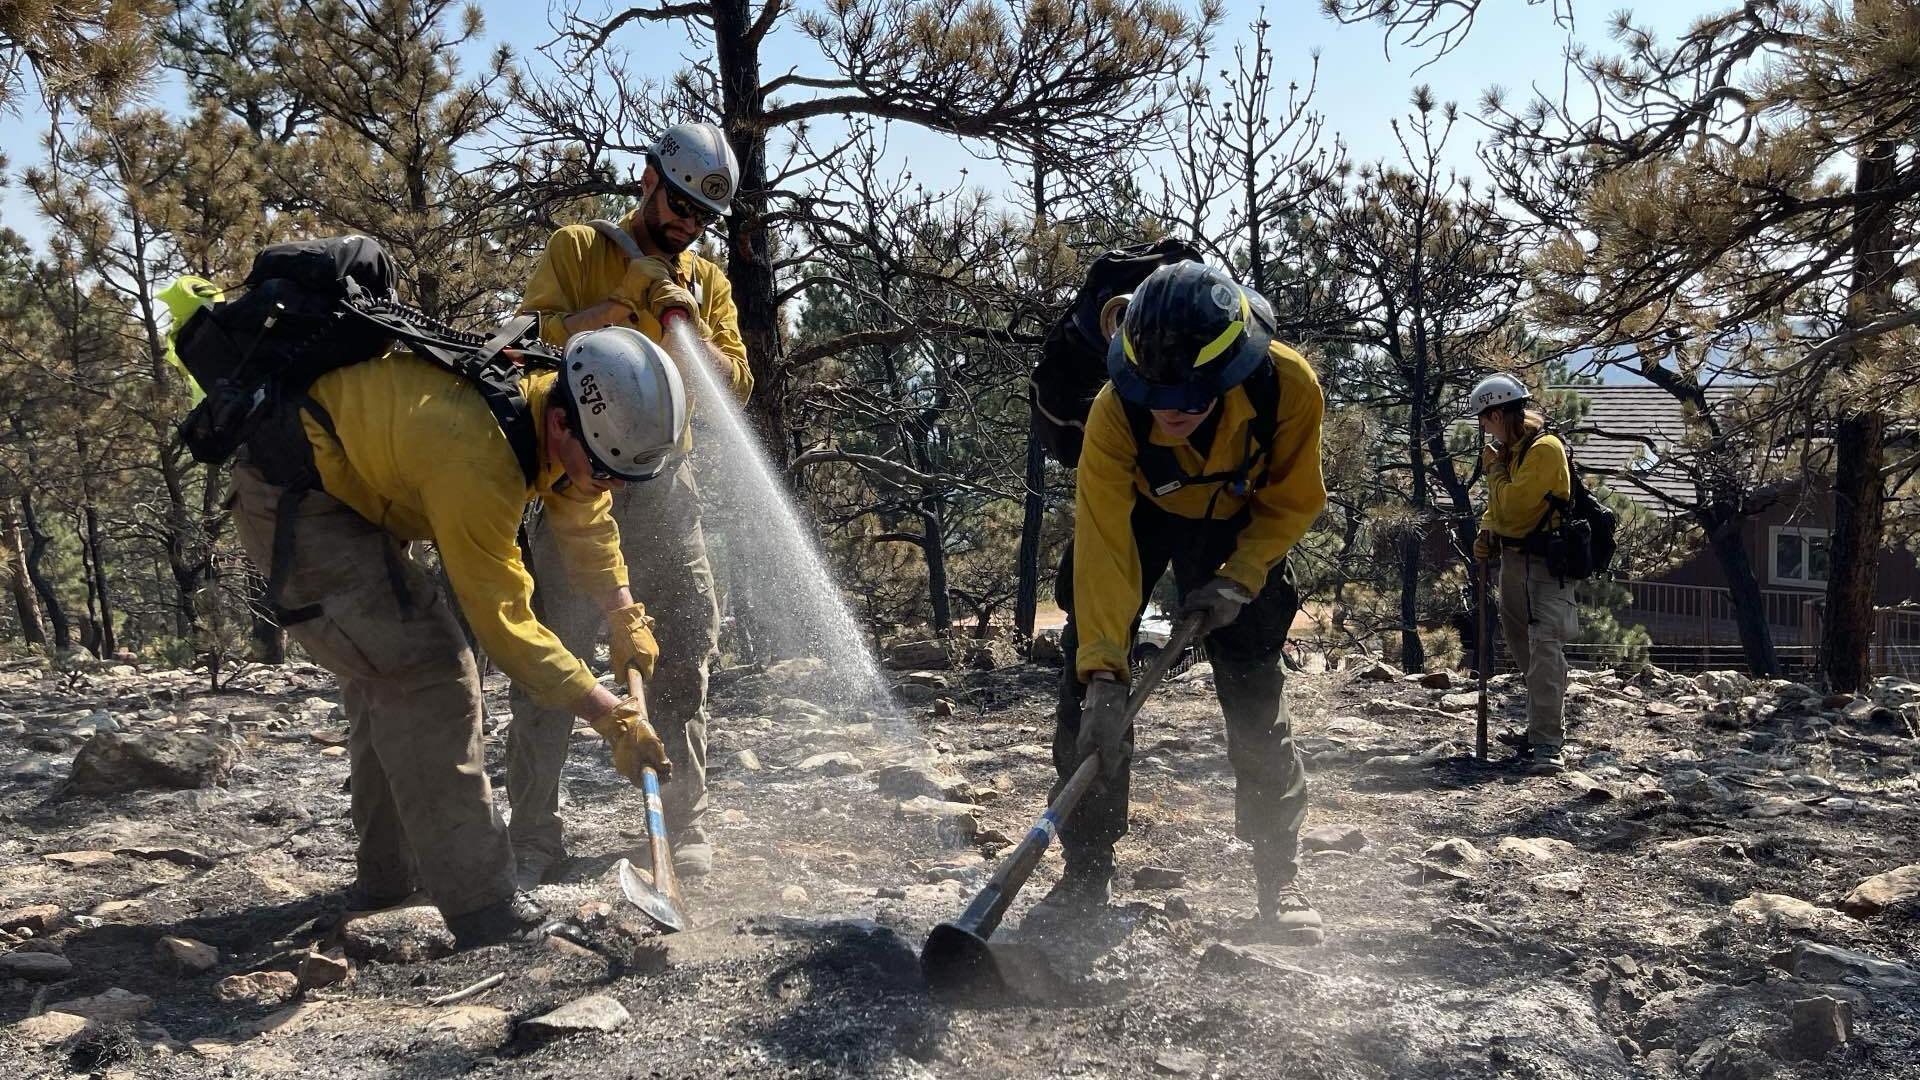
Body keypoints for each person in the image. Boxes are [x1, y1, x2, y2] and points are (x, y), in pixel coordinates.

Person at [226, 326, 687, 947]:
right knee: (428, 670)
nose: (616, 487)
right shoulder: (477, 457)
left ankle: (389, 881)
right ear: (562, 425)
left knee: (388, 670)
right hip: (295, 500)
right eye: (608, 471)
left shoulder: (556, 408)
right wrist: (609, 714)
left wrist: (622, 613)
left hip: (355, 489)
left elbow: (583, 507)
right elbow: (506, 623)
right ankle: (483, 910)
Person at [1046, 261, 1328, 943]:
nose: (1168, 408)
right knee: (1086, 697)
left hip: (1238, 519)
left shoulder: (1287, 386)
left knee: (1254, 690)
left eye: (1190, 395)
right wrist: (1105, 677)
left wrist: (1241, 575)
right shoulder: (1116, 413)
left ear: (1232, 368)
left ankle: (1277, 876)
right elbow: (1106, 548)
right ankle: (1086, 866)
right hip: (1145, 514)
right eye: (1155, 393)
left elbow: (1293, 498)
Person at [508, 121, 752, 886]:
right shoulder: (580, 249)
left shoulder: (707, 284)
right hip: (572, 480)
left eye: (703, 217)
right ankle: (534, 838)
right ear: (648, 179)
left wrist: (683, 323)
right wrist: (616, 306)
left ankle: (685, 825)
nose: (687, 224)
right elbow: (524, 343)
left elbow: (735, 389)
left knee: (684, 651)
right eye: (679, 204)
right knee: (556, 658)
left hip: (665, 494)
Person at [1469, 373, 1576, 774]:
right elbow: (1499, 511)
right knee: (1525, 651)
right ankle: (1537, 730)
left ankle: (1549, 744)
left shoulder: (1544, 450)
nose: (1483, 428)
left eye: (1484, 419)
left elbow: (1514, 509)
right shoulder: (1513, 452)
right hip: (1514, 564)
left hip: (1545, 566)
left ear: (1497, 413)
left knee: (1544, 650)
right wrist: (1486, 530)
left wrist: (1494, 473)